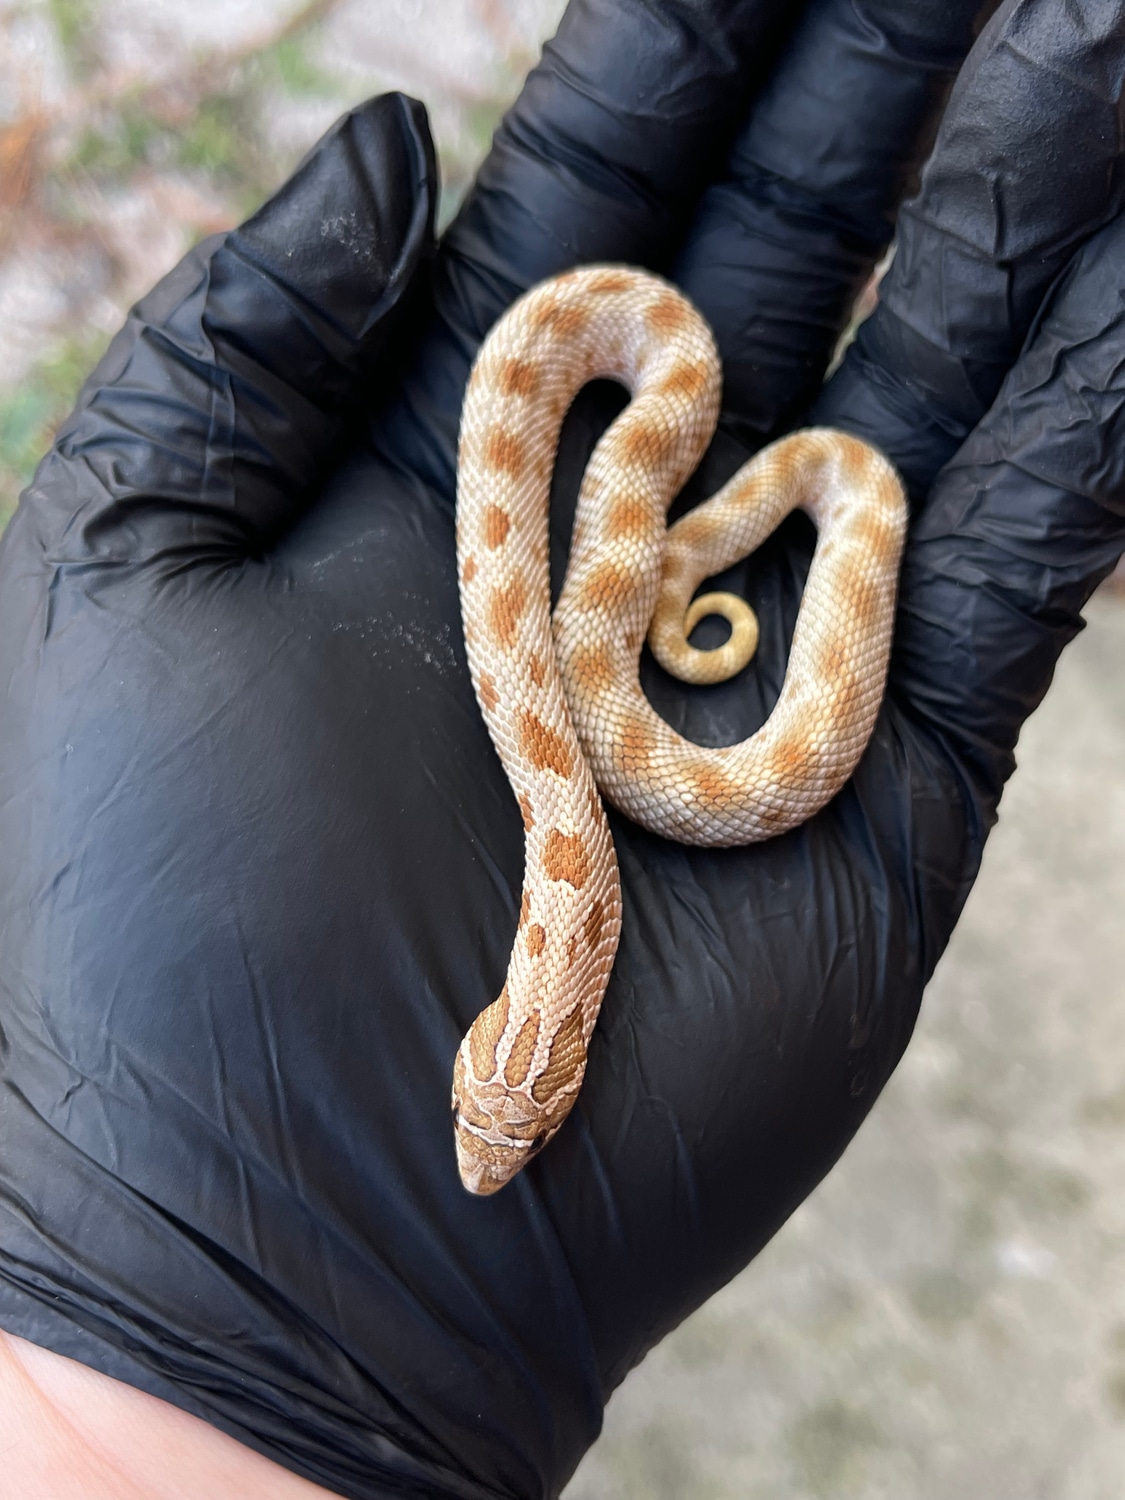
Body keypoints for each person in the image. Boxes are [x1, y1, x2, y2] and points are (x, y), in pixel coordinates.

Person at [1, 0, 1123, 1495]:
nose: (485, 1149)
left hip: (664, 433)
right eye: (512, 1114)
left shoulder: (571, 806)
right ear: (541, 1024)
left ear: (509, 1020)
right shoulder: (566, 818)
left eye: (491, 1107)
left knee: (772, 480)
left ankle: (774, 505)